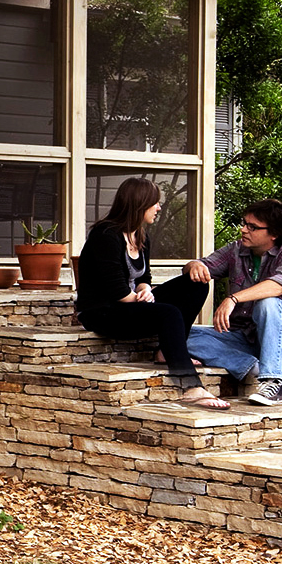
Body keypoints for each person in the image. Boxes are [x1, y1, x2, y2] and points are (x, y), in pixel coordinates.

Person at [74, 175, 227, 409]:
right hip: (101, 312)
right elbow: (116, 291)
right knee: (168, 313)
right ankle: (190, 386)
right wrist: (140, 298)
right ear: (138, 204)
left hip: (130, 304)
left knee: (196, 284)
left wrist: (145, 291)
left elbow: (144, 278)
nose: (159, 207)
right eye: (154, 202)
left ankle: (165, 353)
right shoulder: (105, 235)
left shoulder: (140, 235)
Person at [184, 199, 282, 405]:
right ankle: (264, 370)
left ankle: (273, 381)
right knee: (181, 334)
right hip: (244, 338)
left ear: (274, 234)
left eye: (252, 227)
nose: (243, 230)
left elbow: (277, 286)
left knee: (267, 302)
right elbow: (202, 264)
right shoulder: (236, 250)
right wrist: (194, 266)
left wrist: (233, 298)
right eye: (244, 223)